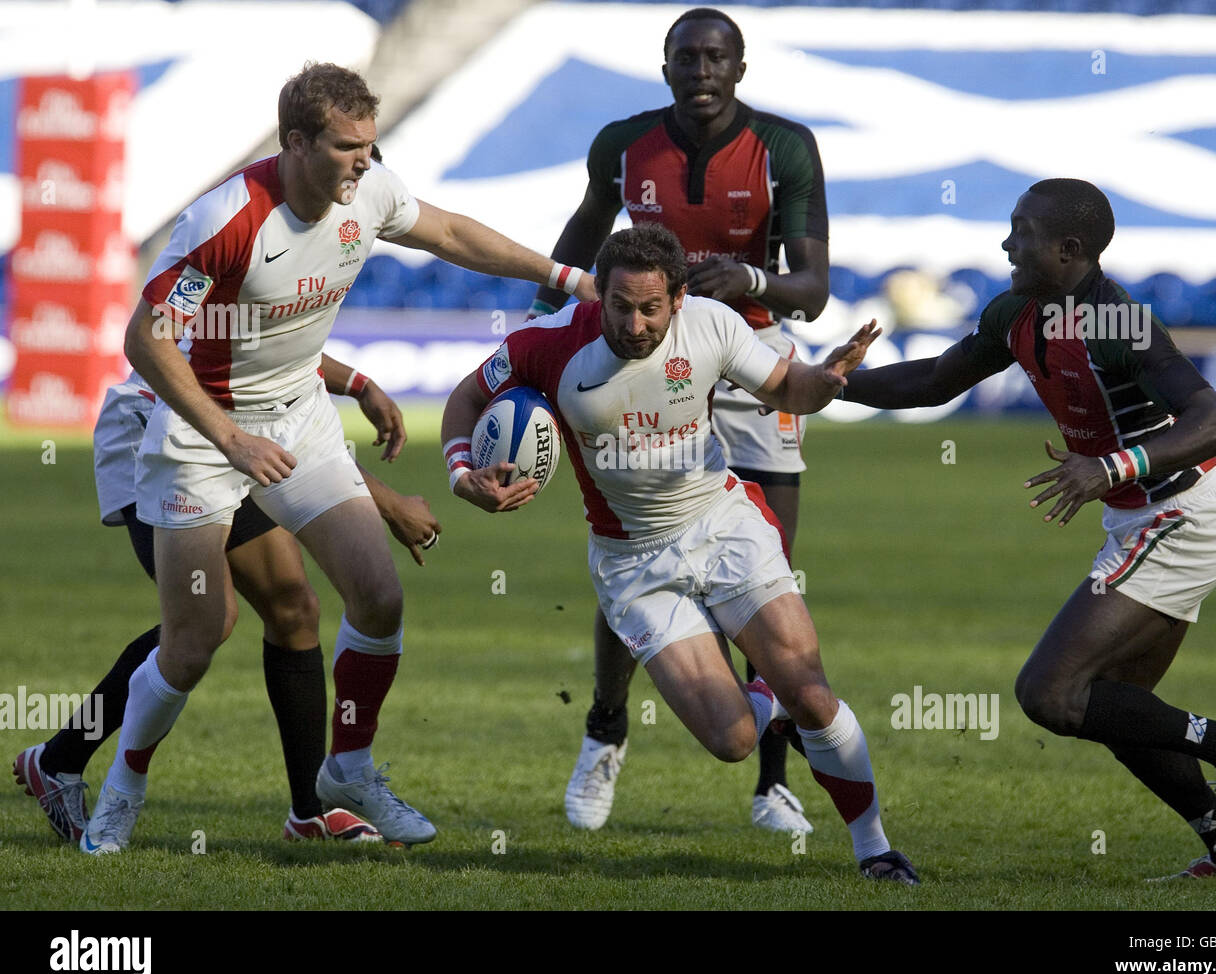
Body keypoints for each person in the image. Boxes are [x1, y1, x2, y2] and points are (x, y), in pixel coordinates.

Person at [76, 61, 598, 855]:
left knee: (378, 597)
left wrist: (563, 276)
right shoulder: (226, 220)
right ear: (295, 143)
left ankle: (346, 769)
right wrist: (229, 437)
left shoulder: (370, 191)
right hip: (202, 440)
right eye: (349, 147)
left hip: (303, 420)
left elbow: (452, 234)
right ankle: (124, 785)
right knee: (188, 646)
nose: (365, 161)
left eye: (371, 146)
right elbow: (143, 341)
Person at [839, 178, 1216, 879]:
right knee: (1115, 708)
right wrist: (826, 383)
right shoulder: (1016, 312)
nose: (1006, 244)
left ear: (1068, 248)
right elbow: (932, 382)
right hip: (1145, 516)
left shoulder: (1118, 321)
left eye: (1020, 231)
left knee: (1050, 693)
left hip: (1181, 515)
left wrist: (1107, 469)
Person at [443, 224, 918, 883]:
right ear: (598, 295)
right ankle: (764, 698)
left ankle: (875, 850)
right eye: (619, 306)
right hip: (634, 564)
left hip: (723, 527)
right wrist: (462, 475)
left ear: (679, 299)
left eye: (650, 308)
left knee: (810, 692)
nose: (634, 324)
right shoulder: (545, 346)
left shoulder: (713, 327)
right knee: (733, 741)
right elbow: (468, 398)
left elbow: (786, 388)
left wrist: (828, 377)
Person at [529, 6, 829, 833]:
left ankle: (771, 784)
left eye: (717, 57)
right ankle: (606, 726)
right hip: (649, 359)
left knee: (769, 580)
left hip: (751, 361)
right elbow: (582, 241)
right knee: (635, 550)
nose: (702, 70)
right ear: (664, 67)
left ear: (740, 68)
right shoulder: (622, 146)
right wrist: (539, 317)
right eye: (686, 57)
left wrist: (752, 281)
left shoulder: (787, 147)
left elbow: (813, 288)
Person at [14, 357, 433, 846]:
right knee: (203, 622)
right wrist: (387, 502)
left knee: (293, 609)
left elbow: (284, 344)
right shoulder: (205, 282)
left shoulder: (301, 285)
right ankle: (59, 760)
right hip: (163, 430)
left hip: (234, 435)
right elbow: (232, 359)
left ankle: (310, 812)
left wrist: (360, 384)